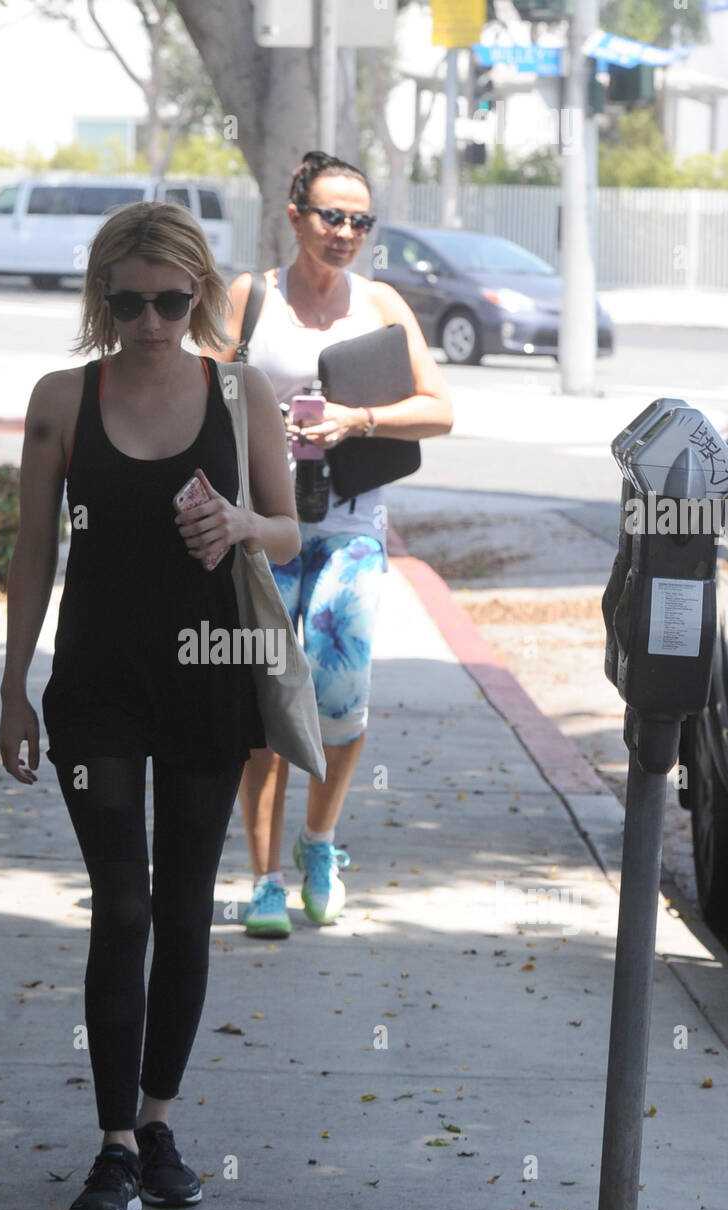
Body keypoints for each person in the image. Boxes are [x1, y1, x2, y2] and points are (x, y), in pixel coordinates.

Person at [0, 201, 298, 1210]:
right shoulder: (63, 398)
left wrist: (243, 522)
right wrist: (11, 684)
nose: (149, 321)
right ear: (102, 298)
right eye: (127, 302)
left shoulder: (239, 390)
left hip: (212, 674)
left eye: (170, 301)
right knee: (120, 905)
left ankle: (159, 1119)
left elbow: (291, 528)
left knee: (182, 904)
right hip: (96, 688)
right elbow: (33, 550)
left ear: (199, 294)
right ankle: (115, 1144)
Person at [212, 150, 454, 938]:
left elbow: (439, 409)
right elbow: (202, 393)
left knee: (339, 692)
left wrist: (359, 421)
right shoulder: (252, 299)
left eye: (360, 220)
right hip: (262, 526)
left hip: (349, 523)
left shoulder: (379, 305)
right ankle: (263, 878)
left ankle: (320, 843)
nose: (345, 231)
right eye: (331, 216)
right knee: (263, 700)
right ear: (295, 216)